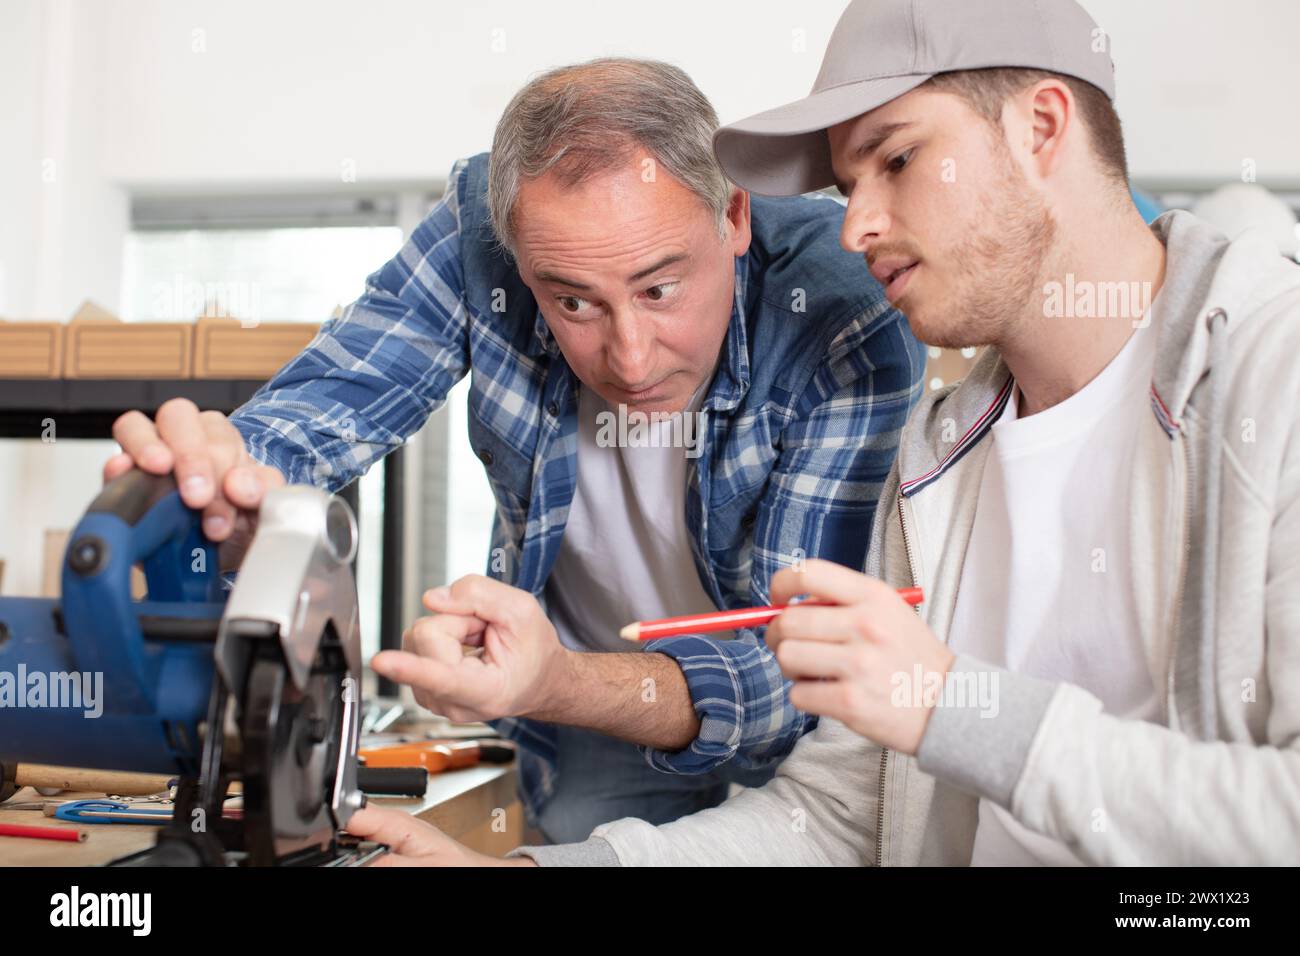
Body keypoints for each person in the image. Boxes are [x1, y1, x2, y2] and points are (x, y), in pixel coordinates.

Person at [348, 0, 1300, 866]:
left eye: (895, 160)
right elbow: (841, 815)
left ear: (1042, 126)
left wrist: (950, 707)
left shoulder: (1276, 377)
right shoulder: (938, 461)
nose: (856, 228)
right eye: (849, 184)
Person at [104, 57, 924, 844]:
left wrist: (553, 680)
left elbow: (804, 666)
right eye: (573, 301)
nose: (631, 360)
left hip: (790, 721)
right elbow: (329, 409)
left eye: (659, 289)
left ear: (735, 216)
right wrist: (225, 476)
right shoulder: (481, 229)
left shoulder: (844, 313)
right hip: (597, 694)